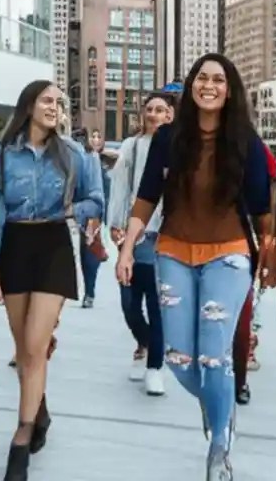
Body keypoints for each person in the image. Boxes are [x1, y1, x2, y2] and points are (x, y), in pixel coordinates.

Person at [116, 53, 276, 481]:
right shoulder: (170, 138)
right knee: (178, 358)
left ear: (230, 90)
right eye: (201, 78)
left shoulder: (246, 141)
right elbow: (147, 197)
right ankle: (216, 404)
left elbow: (263, 209)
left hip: (229, 253)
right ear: (191, 87)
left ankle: (219, 444)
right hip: (173, 253)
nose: (209, 85)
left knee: (212, 356)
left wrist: (270, 256)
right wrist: (127, 248)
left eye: (218, 80)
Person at [0, 80, 105, 481]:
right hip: (13, 248)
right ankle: (40, 412)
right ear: (28, 106)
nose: (54, 107)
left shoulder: (75, 155)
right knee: (23, 348)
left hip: (52, 248)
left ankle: (21, 438)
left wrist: (70, 208)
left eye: (59, 103)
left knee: (34, 347)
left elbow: (96, 199)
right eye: (47, 100)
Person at [107, 91, 175, 396]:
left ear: (170, 115)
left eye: (161, 109)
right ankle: (145, 342)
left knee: (157, 305)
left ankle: (155, 367)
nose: (154, 114)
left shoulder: (178, 147)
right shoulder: (131, 146)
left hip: (165, 236)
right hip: (134, 235)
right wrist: (115, 225)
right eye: (150, 109)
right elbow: (120, 186)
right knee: (129, 304)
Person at [232, 142, 276, 405]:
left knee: (243, 313)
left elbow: (268, 199)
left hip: (241, 239)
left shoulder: (255, 148)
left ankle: (239, 378)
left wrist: (268, 242)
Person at [79, 130, 113, 308]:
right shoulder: (81, 158)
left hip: (95, 216)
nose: (95, 139)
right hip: (80, 210)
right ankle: (87, 289)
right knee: (84, 252)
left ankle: (89, 292)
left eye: (99, 136)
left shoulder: (105, 163)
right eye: (92, 136)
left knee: (90, 251)